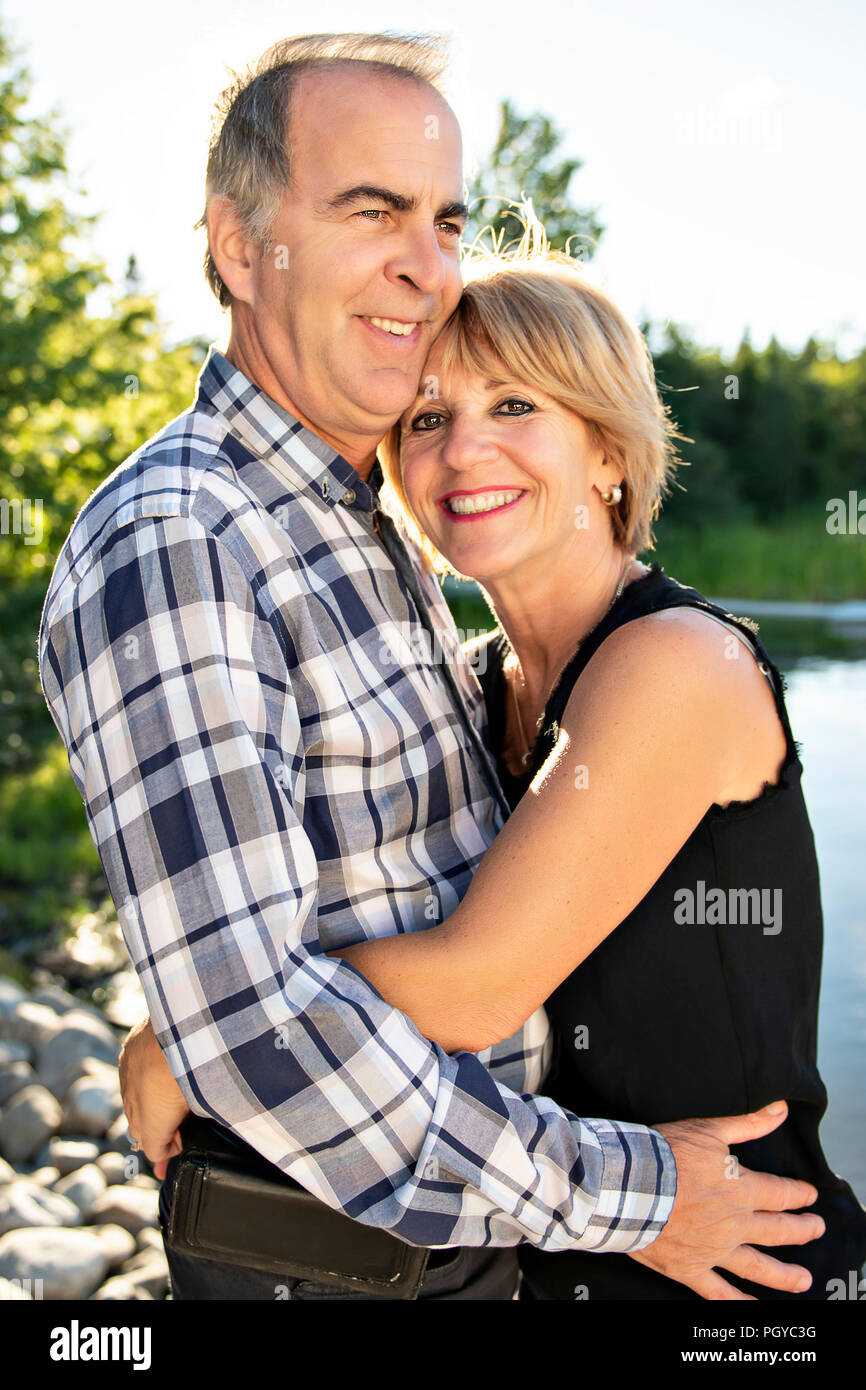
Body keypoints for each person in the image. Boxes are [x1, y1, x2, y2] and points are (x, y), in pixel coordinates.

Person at [44, 33, 824, 1301]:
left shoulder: (371, 544)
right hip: (337, 1256)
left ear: (610, 450)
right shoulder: (182, 535)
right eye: (370, 210)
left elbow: (415, 975)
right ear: (239, 248)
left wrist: (179, 1034)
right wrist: (630, 1200)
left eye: (444, 218)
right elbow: (260, 1018)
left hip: (631, 1253)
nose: (424, 261)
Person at [326, 227, 866, 1298]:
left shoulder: (676, 663)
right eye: (427, 417)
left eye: (514, 406)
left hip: (744, 1273)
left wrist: (196, 1037)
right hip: (578, 1245)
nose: (463, 449)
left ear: (608, 453)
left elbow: (471, 987)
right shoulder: (468, 685)